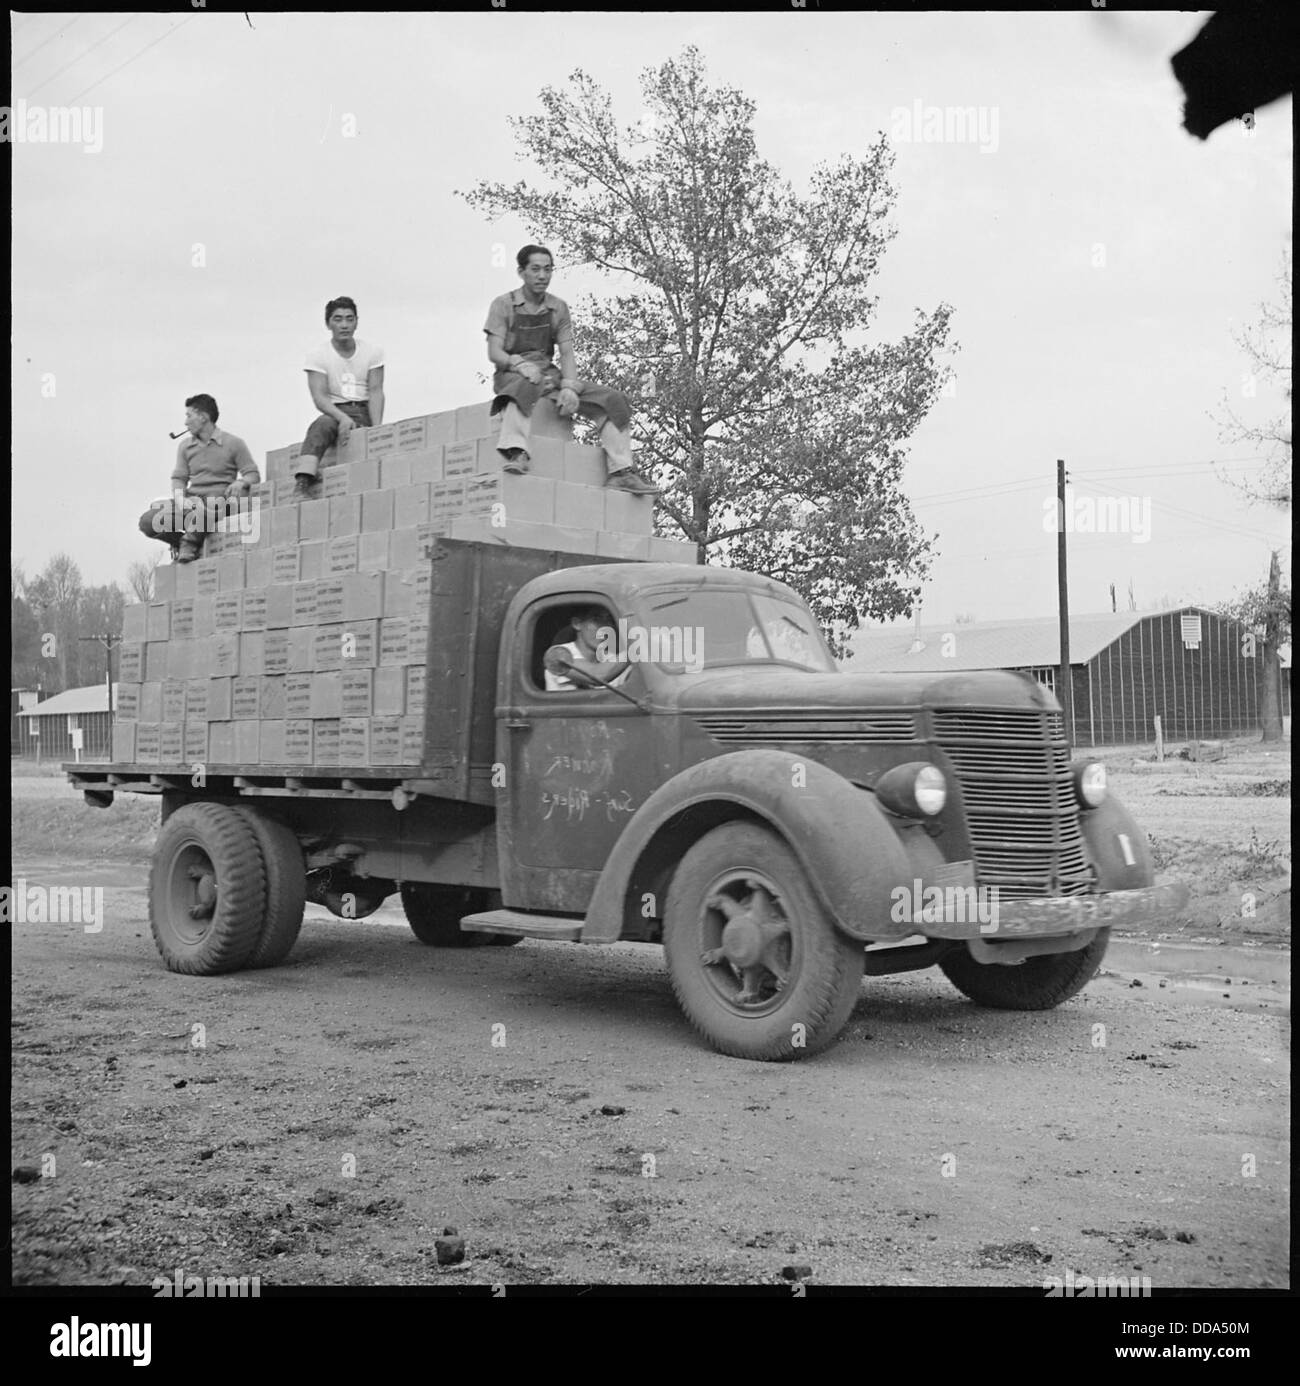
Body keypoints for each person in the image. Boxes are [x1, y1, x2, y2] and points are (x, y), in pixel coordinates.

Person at [485, 246, 659, 494]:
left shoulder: (558, 308)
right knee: (520, 387)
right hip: (513, 373)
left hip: (548, 373)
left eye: (547, 269)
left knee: (611, 399)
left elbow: (566, 352)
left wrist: (569, 386)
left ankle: (621, 471)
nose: (542, 276)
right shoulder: (503, 305)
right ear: (521, 272)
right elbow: (495, 353)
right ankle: (518, 453)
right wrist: (520, 365)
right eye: (535, 269)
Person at [137, 395, 259, 563]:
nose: (186, 422)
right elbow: (179, 477)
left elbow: (253, 474)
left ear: (203, 417)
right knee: (148, 520)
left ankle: (190, 543)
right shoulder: (185, 446)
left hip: (218, 503)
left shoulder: (234, 443)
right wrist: (179, 497)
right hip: (191, 503)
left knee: (210, 506)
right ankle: (182, 541)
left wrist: (241, 482)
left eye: (189, 416)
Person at [293, 296, 385, 497]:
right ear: (328, 324)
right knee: (321, 426)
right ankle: (303, 480)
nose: (344, 325)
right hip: (335, 411)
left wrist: (377, 430)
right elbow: (320, 397)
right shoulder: (318, 355)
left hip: (363, 409)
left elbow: (376, 391)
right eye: (338, 319)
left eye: (349, 319)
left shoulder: (373, 352)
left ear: (356, 322)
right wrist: (343, 418)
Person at [543, 607, 632, 691]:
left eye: (610, 622)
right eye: (597, 620)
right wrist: (636, 649)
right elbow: (597, 676)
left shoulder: (614, 660)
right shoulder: (558, 654)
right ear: (577, 623)